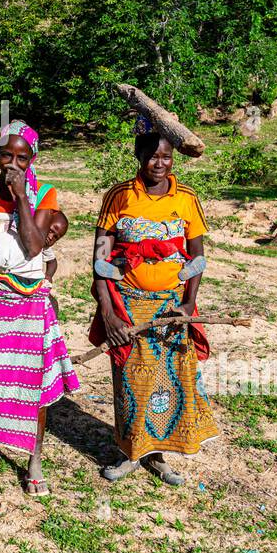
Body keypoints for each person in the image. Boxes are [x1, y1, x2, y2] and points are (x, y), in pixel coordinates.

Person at [91, 117, 218, 486]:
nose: (159, 163)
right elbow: (100, 260)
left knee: (171, 379)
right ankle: (130, 453)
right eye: (151, 156)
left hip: (171, 306)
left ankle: (159, 455)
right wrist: (109, 311)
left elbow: (197, 258)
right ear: (138, 156)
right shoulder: (119, 197)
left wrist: (187, 305)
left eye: (166, 156)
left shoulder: (187, 199)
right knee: (131, 380)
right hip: (127, 303)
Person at [0, 120, 78, 496]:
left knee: (34, 388)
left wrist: (23, 197)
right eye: (6, 155)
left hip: (30, 304)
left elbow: (33, 247)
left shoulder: (46, 196)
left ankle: (34, 461)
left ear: (32, 160)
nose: (12, 163)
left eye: (21, 158)